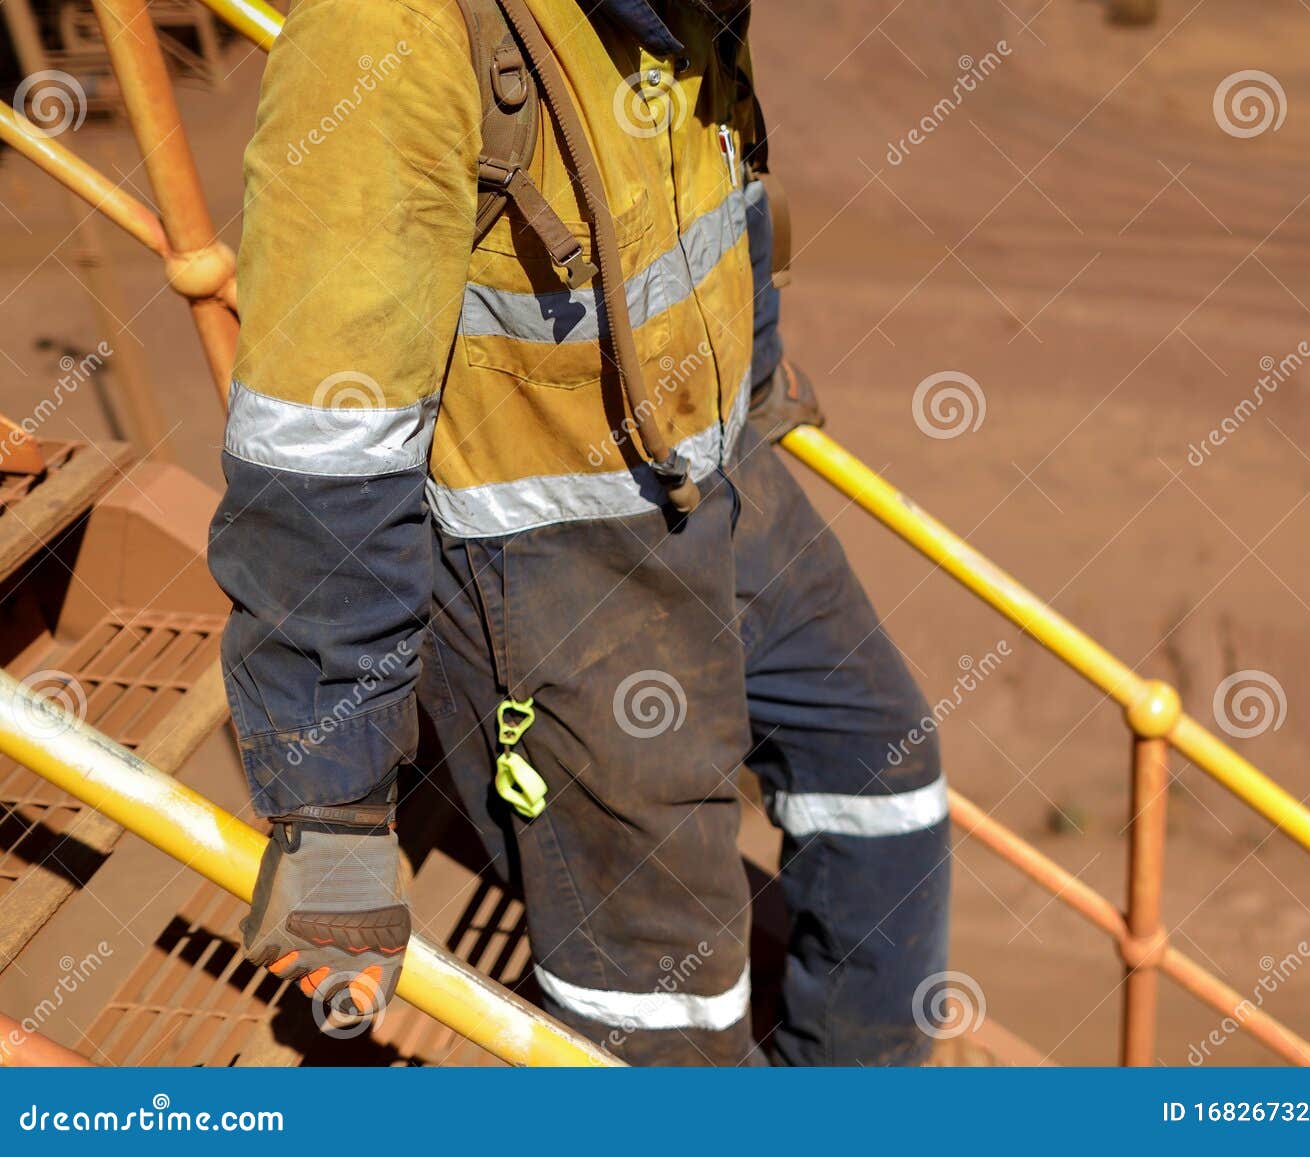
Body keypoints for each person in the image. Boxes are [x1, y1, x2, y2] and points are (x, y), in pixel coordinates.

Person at [208, 0, 949, 1065]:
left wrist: (757, 386)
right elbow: (322, 456)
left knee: (887, 775)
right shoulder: (391, 34)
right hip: (548, 573)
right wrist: (331, 814)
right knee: (665, 1009)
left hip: (717, 473)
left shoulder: (685, 12)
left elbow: (726, 201)